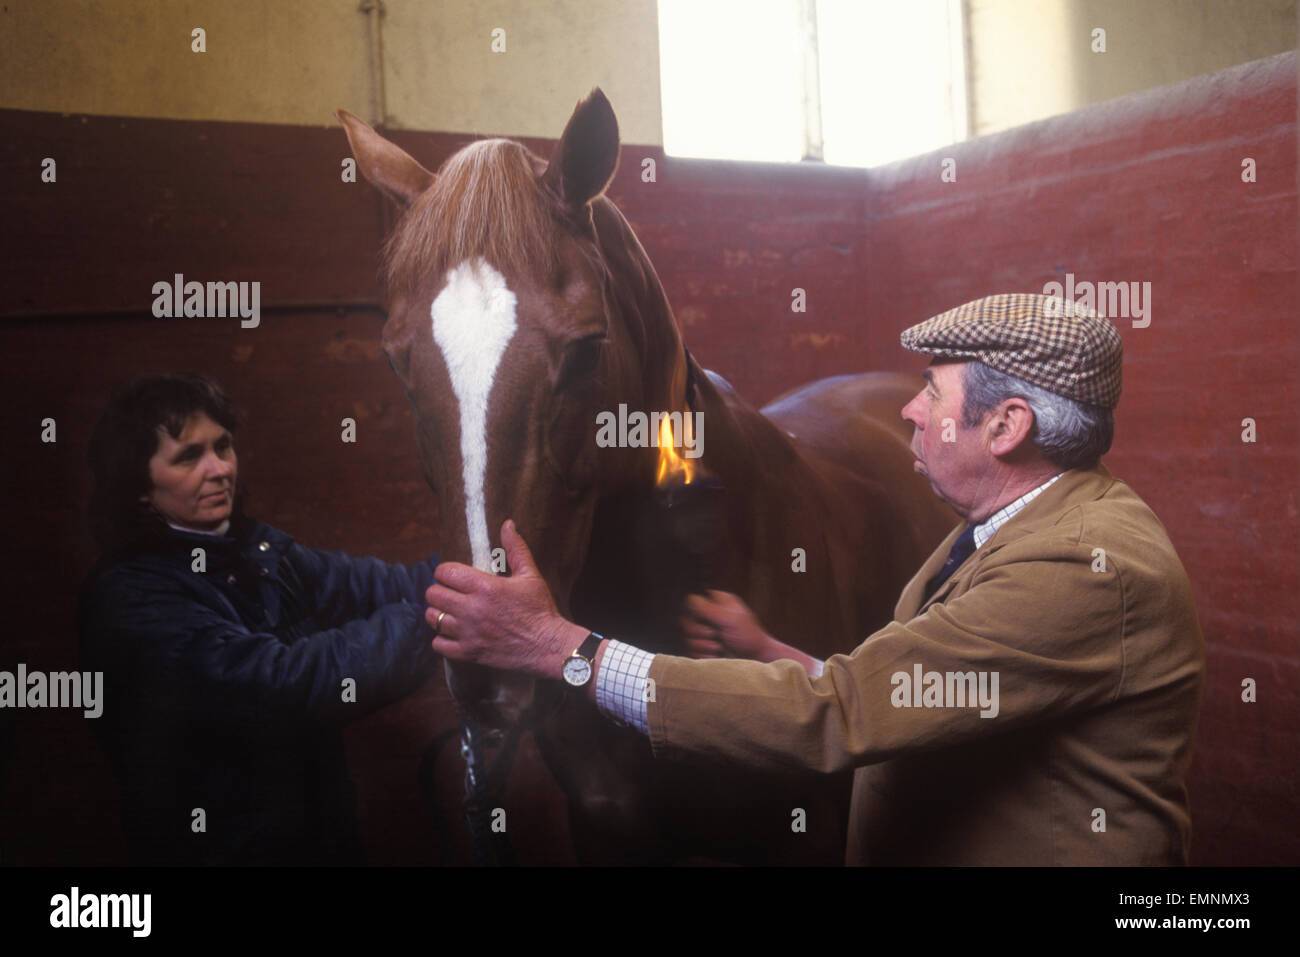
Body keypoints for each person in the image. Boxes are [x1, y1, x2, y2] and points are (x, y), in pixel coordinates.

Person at [423, 293, 1206, 865]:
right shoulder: (997, 526)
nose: (906, 407)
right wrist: (773, 651)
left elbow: (837, 717)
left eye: (932, 393)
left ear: (1005, 427)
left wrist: (565, 648)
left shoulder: (1081, 568)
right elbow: (909, 693)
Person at [78, 374, 439, 865]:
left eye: (222, 446)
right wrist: (440, 617)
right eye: (189, 457)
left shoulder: (257, 549)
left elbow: (378, 586)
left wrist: (486, 564)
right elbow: (283, 687)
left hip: (319, 843)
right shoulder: (132, 598)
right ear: (140, 486)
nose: (218, 469)